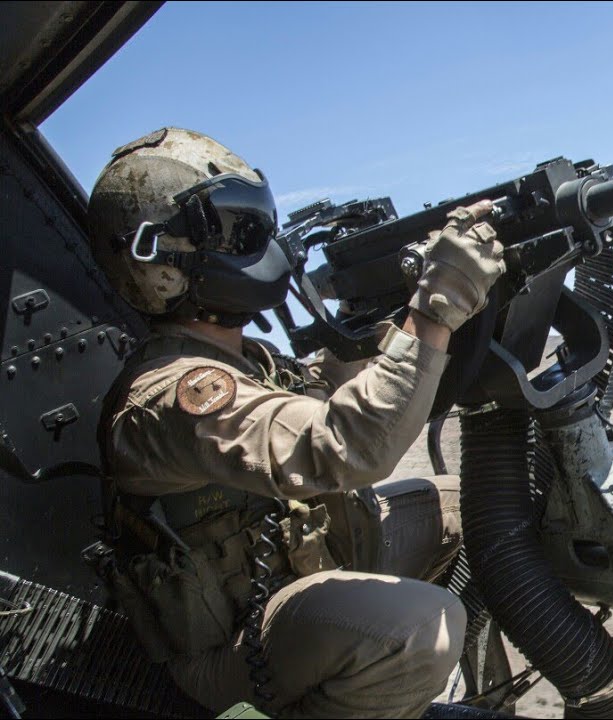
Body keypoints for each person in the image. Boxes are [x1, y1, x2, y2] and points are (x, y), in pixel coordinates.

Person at [85, 127, 504, 718]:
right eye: (236, 230)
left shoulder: (245, 361)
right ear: (158, 258)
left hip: (295, 590)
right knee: (420, 627)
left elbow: (327, 394)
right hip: (228, 651)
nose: (259, 245)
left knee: (481, 507)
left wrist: (372, 309)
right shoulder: (170, 397)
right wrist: (437, 303)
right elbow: (346, 447)